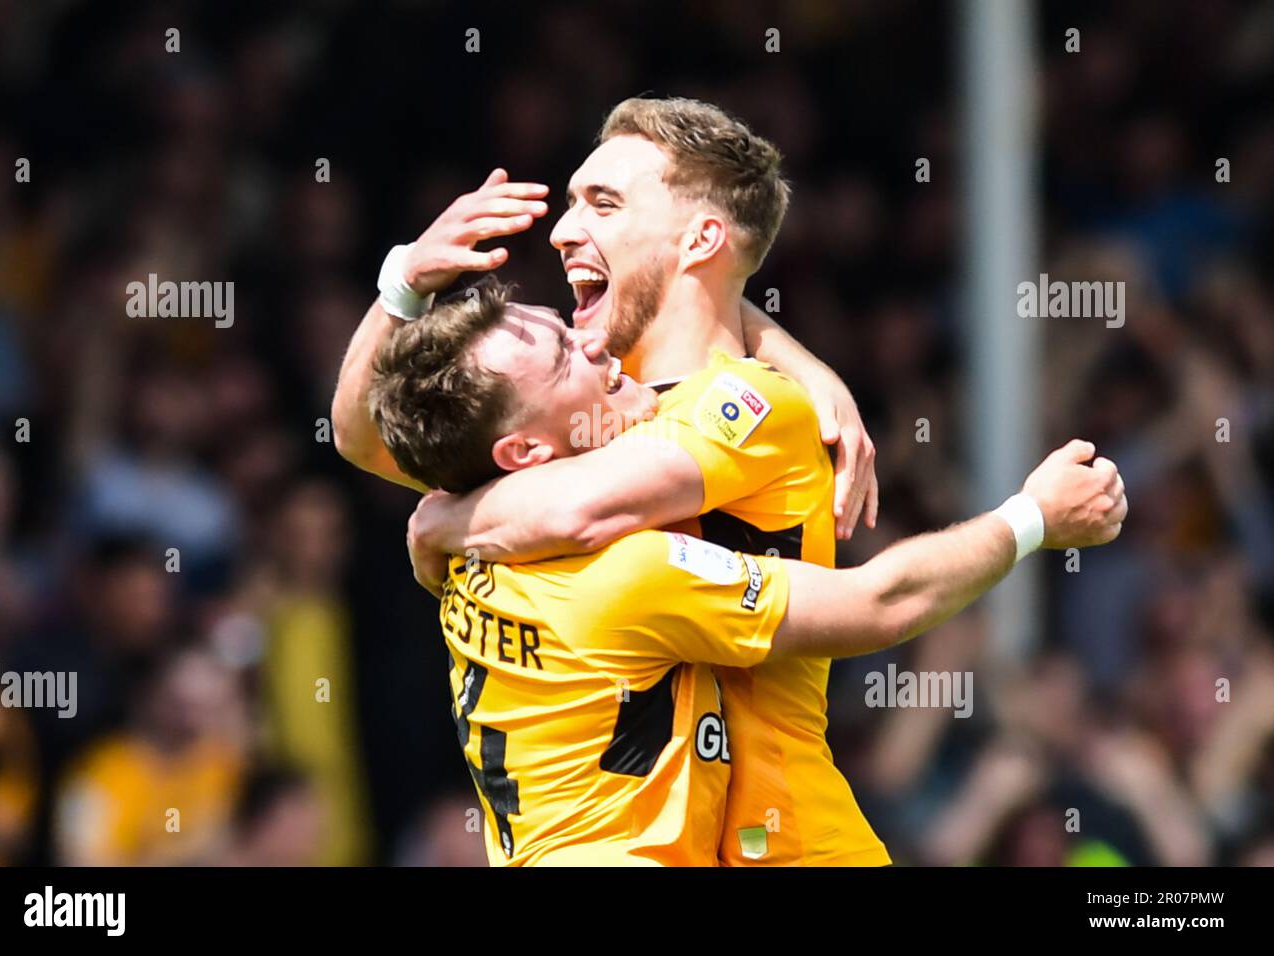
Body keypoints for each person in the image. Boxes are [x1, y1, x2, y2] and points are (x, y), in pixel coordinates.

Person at [363, 279, 1126, 865]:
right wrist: (1034, 517)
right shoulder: (626, 574)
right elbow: (880, 601)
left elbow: (366, 439)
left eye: (566, 327)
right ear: (524, 453)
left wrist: (398, 288)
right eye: (565, 359)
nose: (592, 343)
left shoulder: (459, 554)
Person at [335, 96, 891, 864]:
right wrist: (401, 282)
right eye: (571, 202)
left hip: (790, 843)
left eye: (604, 203)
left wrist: (450, 519)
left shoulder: (747, 403)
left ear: (699, 238)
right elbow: (363, 436)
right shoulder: (583, 405)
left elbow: (583, 509)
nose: (563, 230)